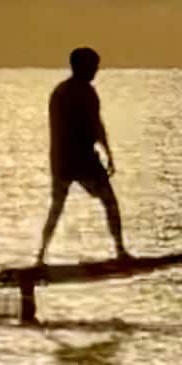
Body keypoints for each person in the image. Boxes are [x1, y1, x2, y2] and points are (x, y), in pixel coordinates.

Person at [37, 46, 129, 263]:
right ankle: (120, 250)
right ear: (81, 66)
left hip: (60, 160)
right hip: (81, 160)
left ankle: (40, 255)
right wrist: (107, 153)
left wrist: (105, 152)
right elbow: (95, 125)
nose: (96, 70)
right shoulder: (84, 92)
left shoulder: (59, 91)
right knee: (110, 202)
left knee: (57, 206)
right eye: (93, 66)